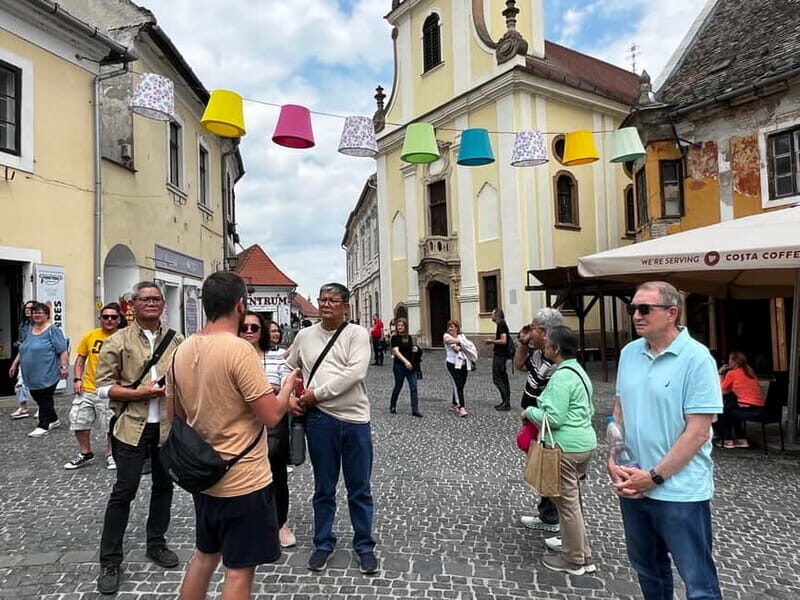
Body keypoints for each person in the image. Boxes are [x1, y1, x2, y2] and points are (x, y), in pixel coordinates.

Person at [172, 271, 297, 600]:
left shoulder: (182, 350)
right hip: (243, 479)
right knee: (239, 570)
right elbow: (271, 415)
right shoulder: (239, 351)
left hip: (204, 473)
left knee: (204, 556)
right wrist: (286, 389)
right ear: (240, 305)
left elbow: (179, 414)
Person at [610, 281, 723, 599]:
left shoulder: (697, 358)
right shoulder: (629, 353)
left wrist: (655, 476)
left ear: (672, 313)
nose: (636, 315)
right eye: (632, 308)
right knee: (649, 571)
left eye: (644, 308)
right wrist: (613, 456)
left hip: (679, 492)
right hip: (634, 482)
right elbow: (620, 409)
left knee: (698, 581)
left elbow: (698, 431)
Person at [95, 281, 183, 595]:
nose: (151, 303)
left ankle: (156, 544)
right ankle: (110, 560)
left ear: (163, 304)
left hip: (166, 429)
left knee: (163, 487)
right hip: (131, 427)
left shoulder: (176, 340)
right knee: (124, 491)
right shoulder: (118, 340)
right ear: (131, 305)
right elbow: (102, 387)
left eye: (156, 299)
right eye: (144, 299)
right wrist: (139, 393)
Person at [287, 282, 378, 575]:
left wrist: (316, 394)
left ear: (345, 306)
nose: (326, 304)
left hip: (355, 421)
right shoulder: (304, 335)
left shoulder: (357, 334)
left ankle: (364, 546)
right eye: (322, 299)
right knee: (323, 488)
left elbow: (356, 373)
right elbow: (289, 367)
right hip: (320, 422)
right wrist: (290, 396)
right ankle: (323, 543)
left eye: (332, 300)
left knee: (359, 489)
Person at [521, 325, 596, 575]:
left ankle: (574, 559)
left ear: (556, 349)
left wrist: (529, 411)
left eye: (548, 344)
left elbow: (552, 418)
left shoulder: (562, 377)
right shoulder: (578, 372)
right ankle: (583, 553)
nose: (545, 347)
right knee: (573, 502)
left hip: (565, 447)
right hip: (583, 443)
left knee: (567, 505)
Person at [240, 311, 297, 548]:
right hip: (241, 426)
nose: (250, 332)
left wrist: (270, 390)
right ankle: (248, 524)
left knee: (276, 474)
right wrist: (268, 388)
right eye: (245, 328)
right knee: (243, 477)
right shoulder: (230, 357)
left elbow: (288, 390)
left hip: (273, 425)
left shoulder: (276, 358)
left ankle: (280, 522)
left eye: (255, 328)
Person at [515, 307, 564, 537]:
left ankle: (554, 518)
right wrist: (524, 343)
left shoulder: (557, 363)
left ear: (544, 332)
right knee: (542, 467)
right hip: (535, 422)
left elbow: (554, 402)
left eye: (533, 327)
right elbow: (518, 364)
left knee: (549, 468)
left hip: (546, 423)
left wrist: (532, 414)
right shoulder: (539, 355)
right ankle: (547, 513)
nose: (528, 329)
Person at [63, 303, 124, 471]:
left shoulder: (124, 337)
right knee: (78, 421)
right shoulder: (90, 335)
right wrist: (77, 379)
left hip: (111, 390)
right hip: (88, 388)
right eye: (105, 317)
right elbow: (81, 359)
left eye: (113, 317)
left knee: (110, 425)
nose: (109, 320)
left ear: (119, 320)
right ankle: (85, 453)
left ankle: (112, 455)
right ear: (100, 319)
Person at [8, 302, 69, 436]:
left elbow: (62, 350)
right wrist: (15, 363)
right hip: (31, 372)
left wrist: (64, 367)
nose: (37, 315)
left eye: (40, 313)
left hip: (48, 370)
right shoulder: (29, 329)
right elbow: (23, 348)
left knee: (45, 396)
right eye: (35, 312)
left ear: (47, 315)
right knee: (36, 394)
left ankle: (44, 424)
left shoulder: (53, 330)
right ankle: (54, 419)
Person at [718, 351, 764, 449]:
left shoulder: (732, 373)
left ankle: (727, 440)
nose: (728, 362)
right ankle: (741, 439)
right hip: (760, 410)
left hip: (746, 409)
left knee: (724, 411)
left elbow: (722, 390)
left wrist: (721, 374)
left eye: (730, 360)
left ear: (735, 362)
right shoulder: (750, 372)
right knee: (732, 409)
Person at [389, 317, 422, 417]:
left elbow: (412, 349)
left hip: (411, 366)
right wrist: (405, 362)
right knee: (398, 386)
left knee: (414, 387)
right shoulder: (395, 338)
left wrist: (416, 349)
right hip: (399, 365)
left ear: (405, 327)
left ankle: (415, 409)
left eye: (402, 326)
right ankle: (393, 405)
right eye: (398, 326)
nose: (400, 327)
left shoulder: (410, 338)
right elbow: (396, 352)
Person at [443, 320, 476, 418]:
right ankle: (461, 407)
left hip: (463, 363)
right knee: (458, 384)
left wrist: (462, 343)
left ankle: (454, 403)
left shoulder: (462, 336)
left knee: (461, 384)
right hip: (452, 364)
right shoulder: (446, 336)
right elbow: (454, 347)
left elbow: (467, 345)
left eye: (452, 326)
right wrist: (464, 344)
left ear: (457, 328)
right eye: (449, 327)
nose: (450, 328)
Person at [10, 300, 34, 420]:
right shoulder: (23, 325)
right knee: (20, 384)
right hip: (24, 358)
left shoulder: (40, 324)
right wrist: (15, 363)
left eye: (30, 308)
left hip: (38, 359)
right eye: (26, 308)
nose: (28, 310)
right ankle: (23, 407)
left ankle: (42, 408)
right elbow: (22, 345)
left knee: (39, 385)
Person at [486, 308, 511, 411]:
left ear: (497, 315)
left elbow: (504, 341)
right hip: (502, 355)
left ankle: (506, 402)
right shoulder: (502, 324)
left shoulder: (501, 324)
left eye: (492, 314)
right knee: (503, 378)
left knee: (498, 379)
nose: (491, 316)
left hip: (500, 355)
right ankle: (505, 401)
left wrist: (491, 341)